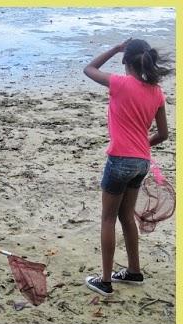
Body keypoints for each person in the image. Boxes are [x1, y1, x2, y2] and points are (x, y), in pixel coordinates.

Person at [82, 39, 171, 297]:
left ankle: (105, 281)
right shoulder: (156, 92)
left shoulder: (120, 84)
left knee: (108, 219)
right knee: (127, 217)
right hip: (142, 163)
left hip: (120, 160)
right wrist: (141, 146)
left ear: (125, 61)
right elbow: (163, 134)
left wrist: (114, 48)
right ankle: (134, 271)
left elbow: (89, 69)